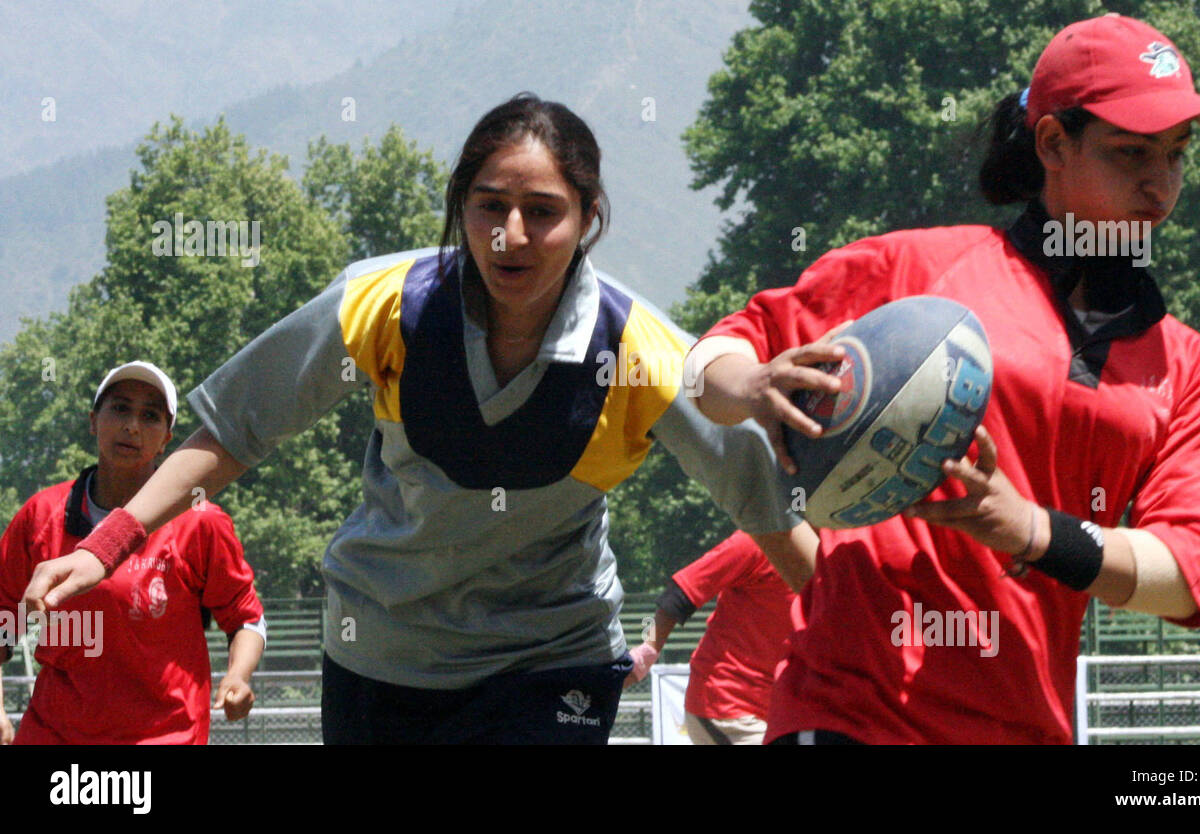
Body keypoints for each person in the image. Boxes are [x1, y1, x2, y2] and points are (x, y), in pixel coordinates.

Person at [21, 95, 817, 745]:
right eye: (488, 207)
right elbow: (237, 429)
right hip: (384, 651)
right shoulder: (384, 304)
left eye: (543, 211)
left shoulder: (635, 349)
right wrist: (107, 544)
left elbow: (766, 507)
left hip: (553, 658)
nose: (511, 236)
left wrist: (868, 645)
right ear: (459, 208)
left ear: (588, 218)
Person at [685, 14, 1200, 744]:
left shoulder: (1187, 364)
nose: (1158, 182)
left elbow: (1186, 575)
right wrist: (753, 383)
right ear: (1052, 144)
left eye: (1176, 154)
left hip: (1024, 725)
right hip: (847, 711)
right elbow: (705, 366)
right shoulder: (921, 271)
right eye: (1130, 151)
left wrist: (1035, 532)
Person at [0, 361, 266, 744]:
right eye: (120, 408)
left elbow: (247, 620)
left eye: (150, 416)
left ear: (167, 439)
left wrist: (238, 677)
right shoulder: (41, 514)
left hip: (166, 735)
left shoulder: (200, 521)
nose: (132, 426)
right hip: (55, 734)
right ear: (94, 420)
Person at [624, 530, 802, 744]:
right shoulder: (757, 539)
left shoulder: (837, 546)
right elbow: (678, 593)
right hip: (726, 707)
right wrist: (647, 651)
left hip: (779, 712)